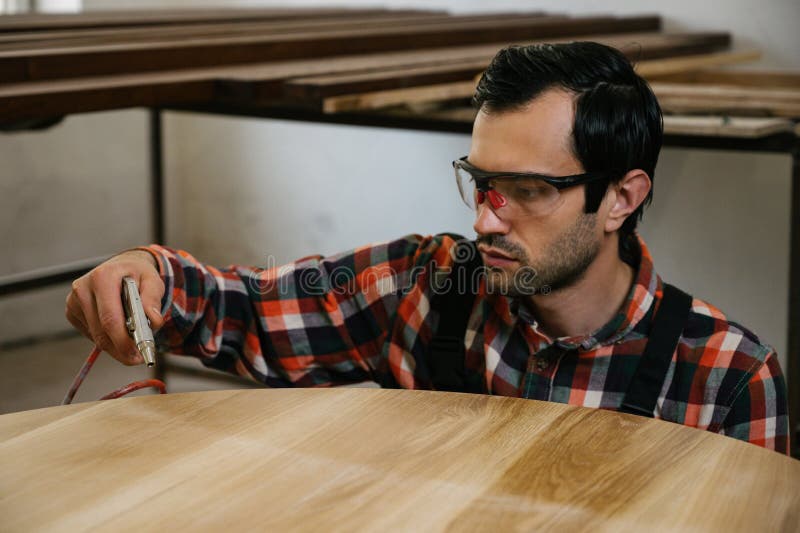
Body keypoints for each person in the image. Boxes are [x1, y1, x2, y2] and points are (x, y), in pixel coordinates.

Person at [66, 42, 789, 454]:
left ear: (621, 198)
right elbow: (253, 309)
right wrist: (151, 276)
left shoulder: (728, 380)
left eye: (527, 190)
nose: (486, 221)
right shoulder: (429, 286)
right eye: (479, 182)